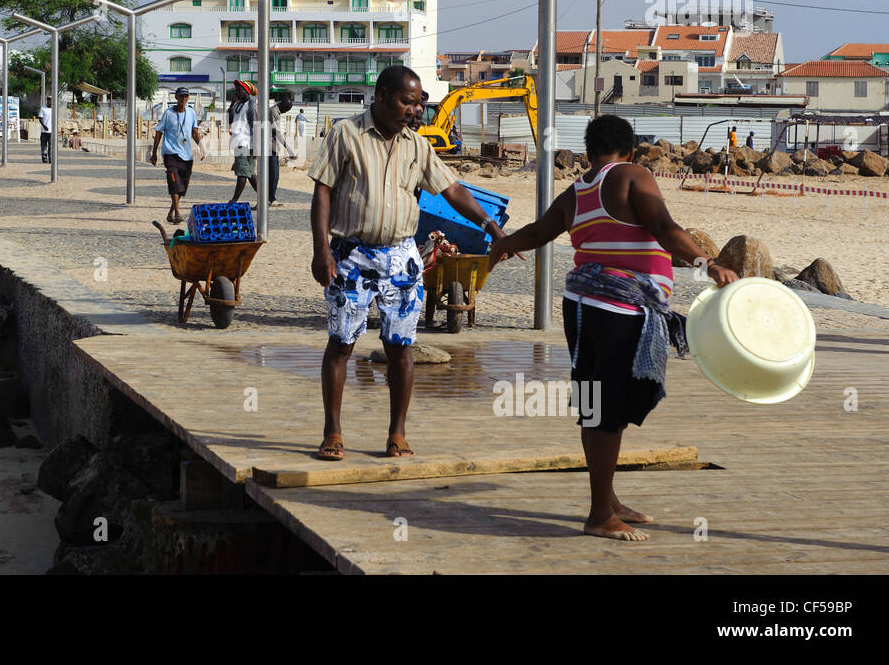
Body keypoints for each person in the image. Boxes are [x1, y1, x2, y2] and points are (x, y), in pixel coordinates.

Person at [488, 114, 738, 542]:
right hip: (614, 311)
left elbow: (538, 231)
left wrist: (504, 245)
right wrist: (707, 264)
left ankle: (608, 500)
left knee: (601, 405)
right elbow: (663, 228)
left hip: (584, 306)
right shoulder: (632, 175)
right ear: (632, 150)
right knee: (604, 410)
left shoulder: (577, 191)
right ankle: (599, 514)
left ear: (588, 153)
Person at [309, 66, 509, 462]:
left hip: (402, 257)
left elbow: (451, 189)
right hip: (351, 253)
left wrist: (490, 224)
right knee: (341, 344)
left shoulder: (418, 146)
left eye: (419, 103)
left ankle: (397, 433)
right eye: (407, 101)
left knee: (401, 347)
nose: (415, 110)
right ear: (381, 96)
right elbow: (323, 192)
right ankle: (333, 431)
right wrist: (322, 250)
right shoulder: (345, 134)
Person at [150, 87, 202, 224]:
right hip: (171, 154)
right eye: (181, 96)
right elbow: (158, 132)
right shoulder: (168, 113)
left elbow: (194, 132)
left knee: (182, 188)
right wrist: (154, 153)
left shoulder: (191, 113)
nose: (184, 99)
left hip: (187, 156)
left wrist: (202, 147)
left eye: (186, 96)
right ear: (176, 98)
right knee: (174, 183)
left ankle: (171, 212)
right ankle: (178, 214)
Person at [228, 80, 259, 204]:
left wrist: (257, 147)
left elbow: (256, 127)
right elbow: (231, 119)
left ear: (246, 91)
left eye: (239, 89)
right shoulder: (238, 105)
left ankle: (234, 200)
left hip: (246, 144)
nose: (236, 92)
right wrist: (231, 104)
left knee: (242, 174)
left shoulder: (251, 105)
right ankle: (264, 199)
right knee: (249, 173)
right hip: (238, 143)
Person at [265, 92, 297, 207]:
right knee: (274, 174)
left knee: (271, 174)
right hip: (270, 147)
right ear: (281, 105)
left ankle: (269, 198)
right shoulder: (274, 112)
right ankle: (271, 199)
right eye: (286, 109)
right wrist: (289, 150)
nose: (286, 112)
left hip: (272, 146)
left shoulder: (275, 111)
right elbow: (277, 133)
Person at [38, 98, 53, 163]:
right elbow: (40, 118)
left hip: (52, 131)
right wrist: (44, 126)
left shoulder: (54, 109)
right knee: (44, 145)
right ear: (47, 101)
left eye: (52, 101)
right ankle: (44, 158)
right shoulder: (43, 108)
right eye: (49, 101)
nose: (50, 102)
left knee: (51, 146)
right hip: (44, 131)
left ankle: (51, 158)